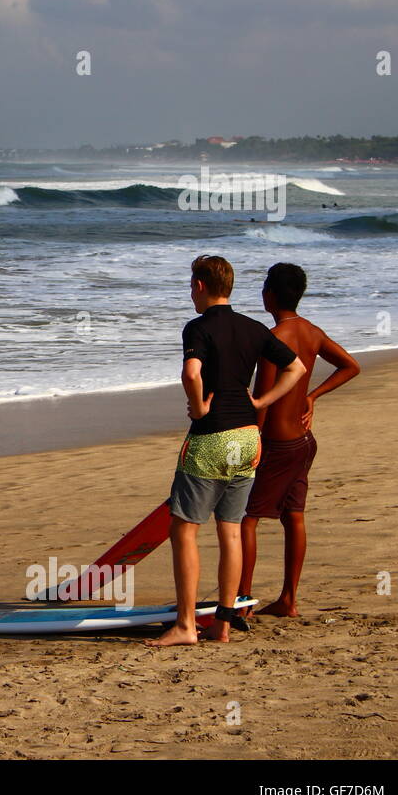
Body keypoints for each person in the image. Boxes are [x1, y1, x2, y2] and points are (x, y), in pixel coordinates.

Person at [146, 255, 306, 648]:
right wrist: (261, 401)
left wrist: (199, 406)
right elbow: (297, 368)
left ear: (200, 286)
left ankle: (185, 625)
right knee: (230, 530)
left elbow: (191, 373)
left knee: (183, 529)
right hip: (248, 439)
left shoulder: (198, 328)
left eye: (190, 286)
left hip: (210, 438)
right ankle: (223, 624)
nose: (190, 294)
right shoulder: (253, 328)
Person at [238, 263, 360, 617]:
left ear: (270, 295)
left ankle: (242, 603)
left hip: (277, 444)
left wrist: (252, 439)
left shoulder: (273, 339)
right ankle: (288, 600)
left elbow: (262, 397)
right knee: (294, 516)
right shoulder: (311, 331)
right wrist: (313, 396)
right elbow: (350, 366)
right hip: (304, 441)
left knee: (248, 518)